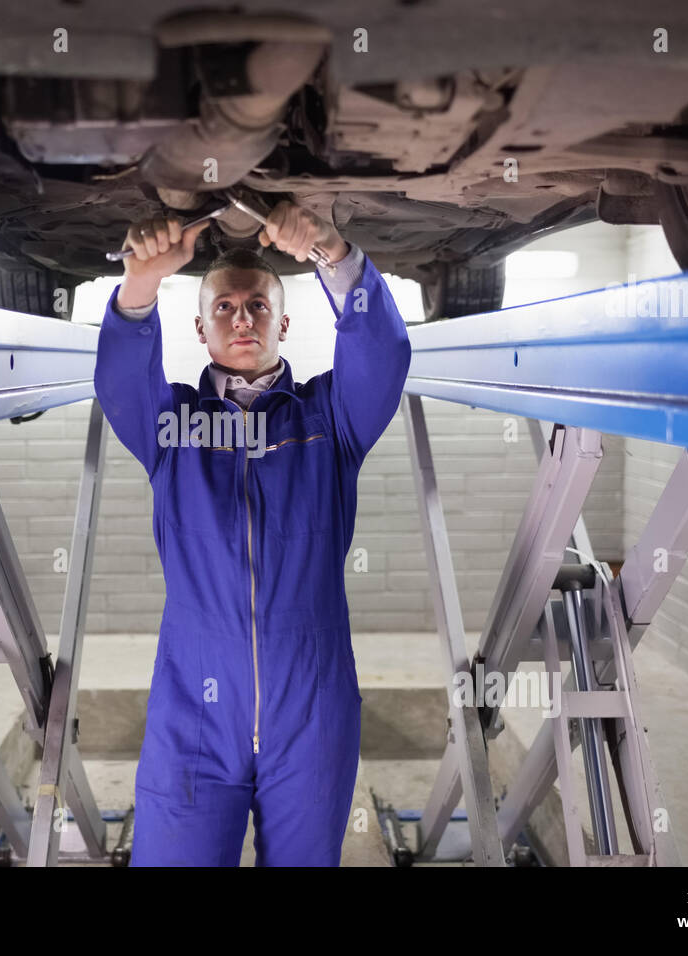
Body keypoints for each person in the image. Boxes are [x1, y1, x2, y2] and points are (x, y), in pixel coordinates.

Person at [94, 200, 411, 866]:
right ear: (202, 328)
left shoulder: (330, 420)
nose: (242, 318)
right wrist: (141, 282)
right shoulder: (172, 427)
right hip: (194, 706)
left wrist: (336, 253)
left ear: (284, 323)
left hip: (314, 707)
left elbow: (383, 357)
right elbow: (121, 382)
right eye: (226, 308)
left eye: (258, 306)